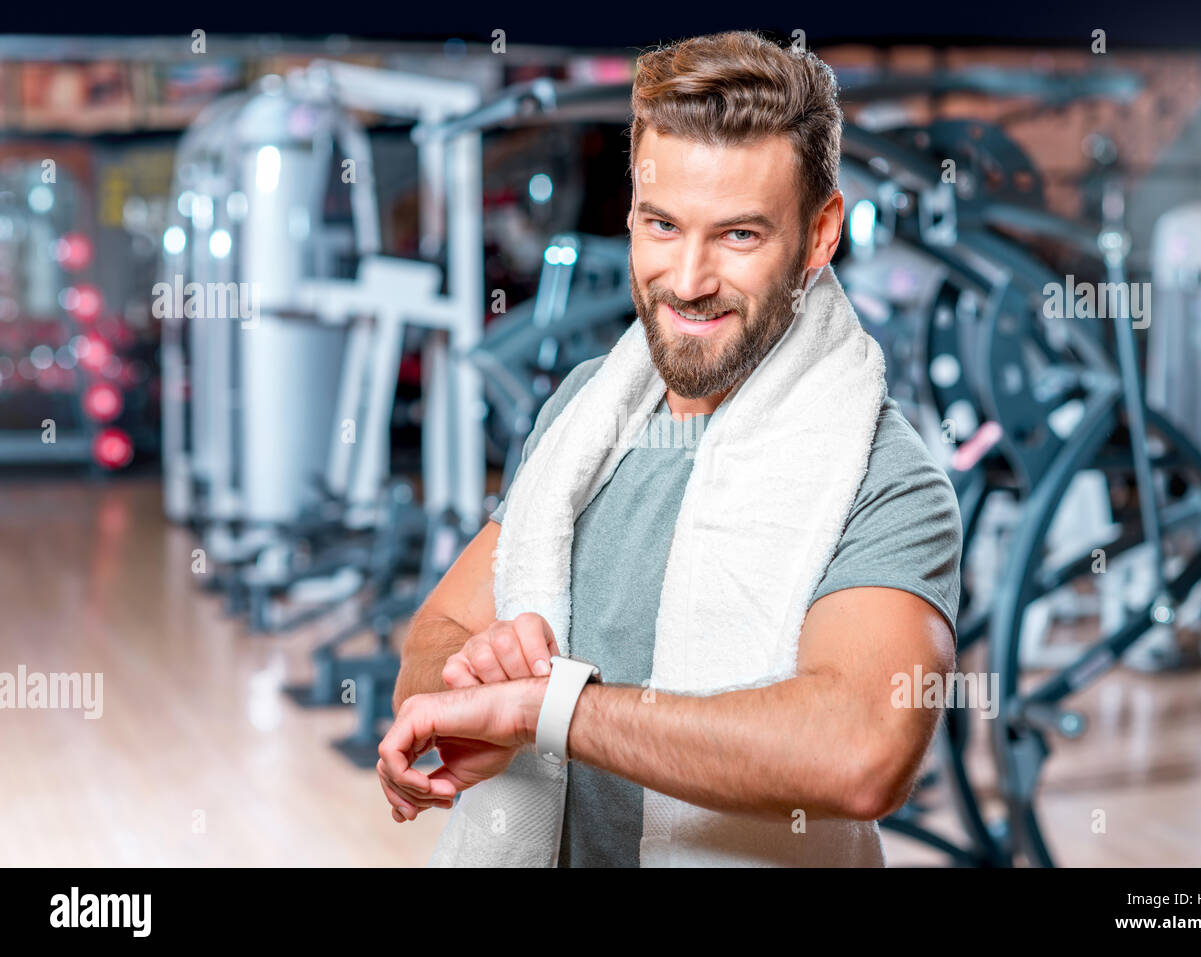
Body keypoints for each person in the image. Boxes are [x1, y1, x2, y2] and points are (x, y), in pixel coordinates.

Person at [378, 29, 962, 867]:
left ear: (821, 234)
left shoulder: (886, 480)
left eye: (739, 236)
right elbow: (434, 633)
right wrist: (468, 682)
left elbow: (861, 753)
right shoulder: (585, 409)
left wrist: (550, 711)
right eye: (663, 225)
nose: (687, 280)